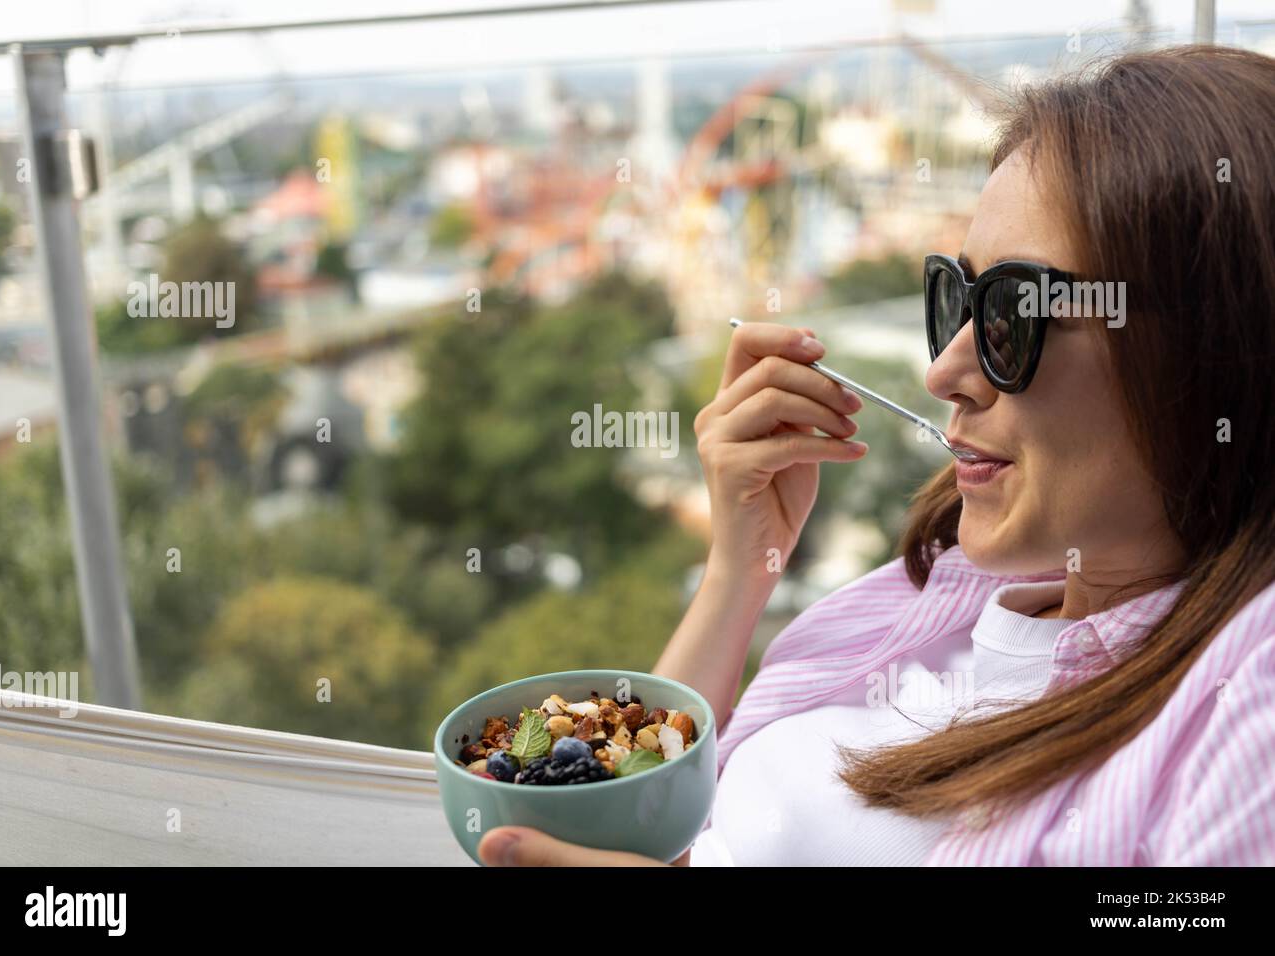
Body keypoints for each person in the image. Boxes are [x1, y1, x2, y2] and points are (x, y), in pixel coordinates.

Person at [478, 44, 1275, 866]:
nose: (945, 373)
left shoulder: (1244, 692)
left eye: (1012, 315)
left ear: (1214, 353)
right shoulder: (934, 598)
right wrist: (740, 570)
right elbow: (652, 823)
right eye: (955, 300)